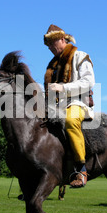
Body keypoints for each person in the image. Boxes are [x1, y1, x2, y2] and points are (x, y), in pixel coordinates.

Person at [43, 24, 95, 188]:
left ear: (62, 39)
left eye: (52, 43)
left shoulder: (80, 55)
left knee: (70, 120)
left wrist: (63, 87)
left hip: (77, 103)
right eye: (48, 45)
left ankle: (81, 169)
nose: (50, 48)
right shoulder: (52, 66)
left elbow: (89, 81)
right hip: (55, 107)